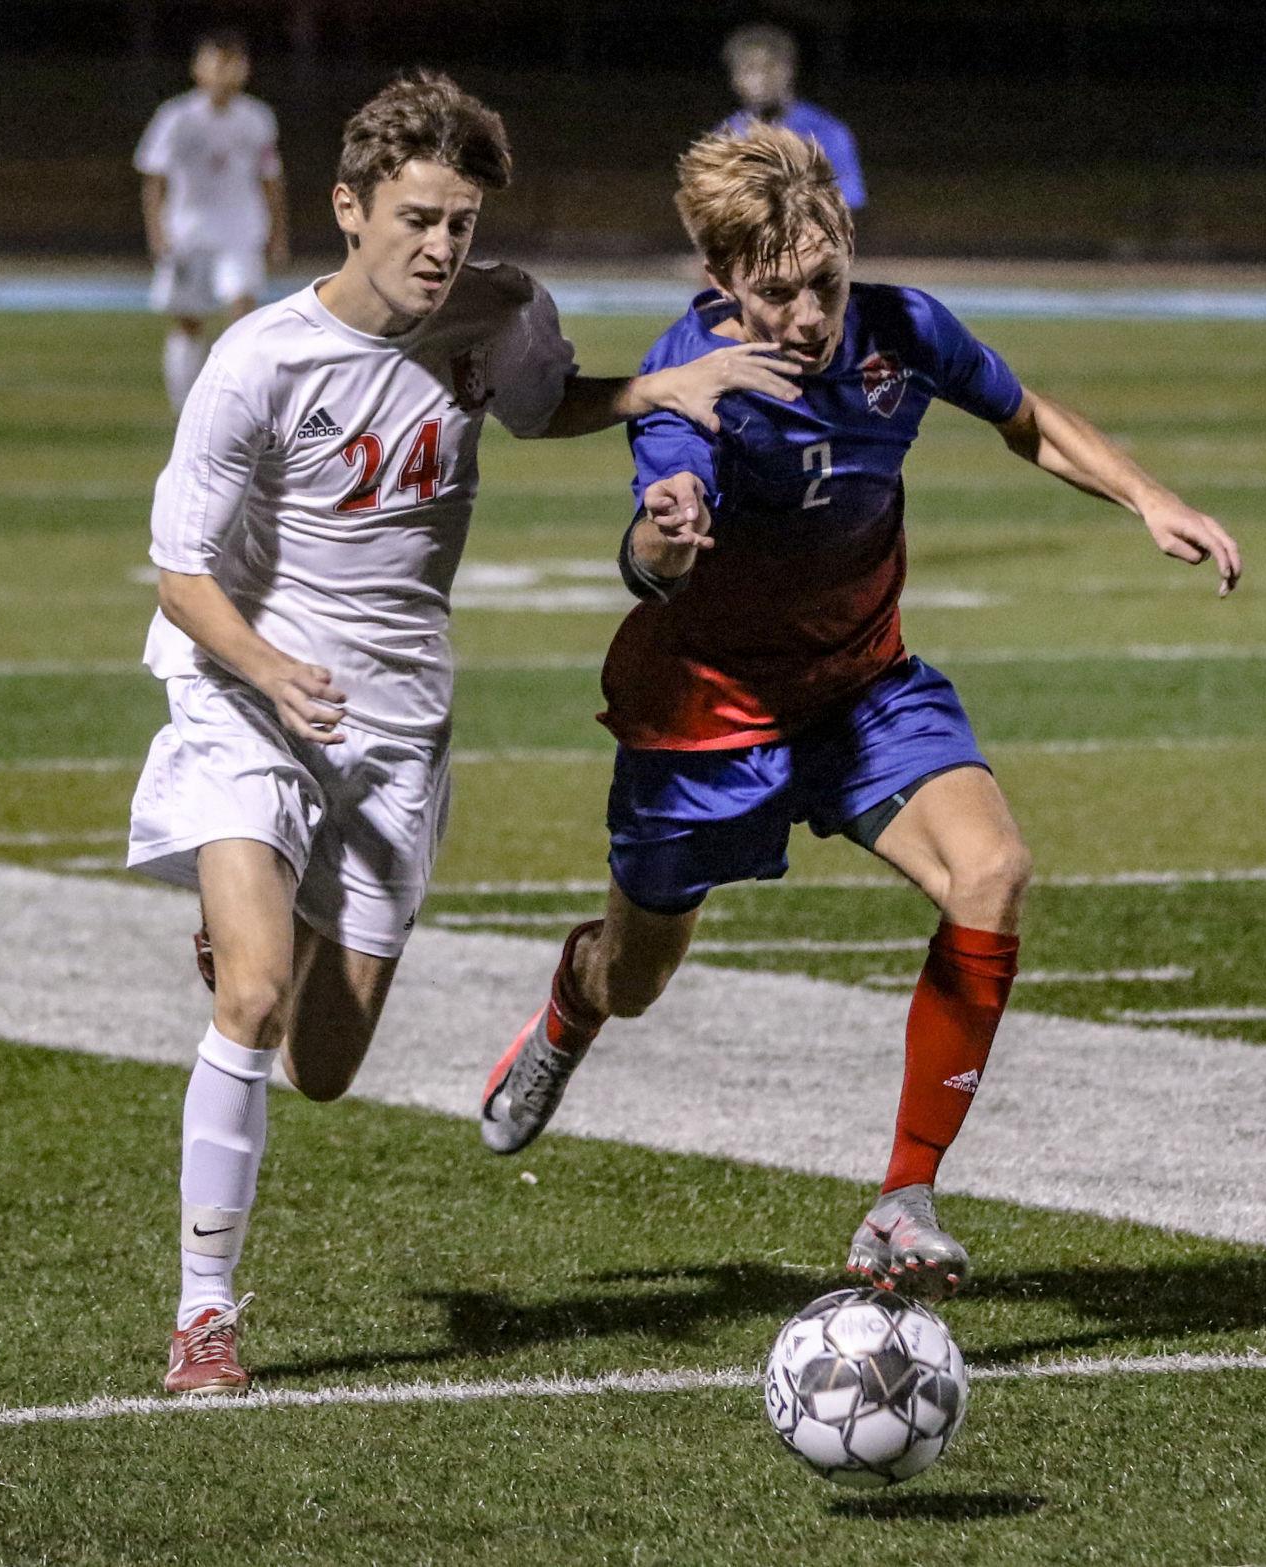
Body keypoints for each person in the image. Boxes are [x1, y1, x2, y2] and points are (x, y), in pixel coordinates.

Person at [481, 124, 1242, 1303]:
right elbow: (651, 554)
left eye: (824, 281)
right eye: (776, 295)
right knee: (637, 976)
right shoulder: (691, 379)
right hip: (710, 714)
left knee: (991, 872)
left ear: (849, 247)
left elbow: (1023, 413)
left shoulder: (905, 329)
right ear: (723, 284)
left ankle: (905, 1197)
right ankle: (570, 1010)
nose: (807, 316)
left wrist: (1149, 496)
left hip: (863, 687)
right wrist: (665, 534)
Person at [127, 72, 799, 1396]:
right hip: (244, 691)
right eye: (418, 218)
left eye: (460, 221)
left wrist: (675, 383)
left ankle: (254, 909)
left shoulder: (497, 310)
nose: (441, 246)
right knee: (252, 992)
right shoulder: (256, 360)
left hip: (396, 727)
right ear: (348, 207)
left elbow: (541, 404)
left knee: (323, 1065)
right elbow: (180, 574)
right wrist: (270, 663)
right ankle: (204, 1314)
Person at [134, 28, 289, 413]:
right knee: (189, 323)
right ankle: (185, 407)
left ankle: (235, 408)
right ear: (198, 69)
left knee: (243, 317)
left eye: (233, 63)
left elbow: (271, 180)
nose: (225, 72)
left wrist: (277, 234)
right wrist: (157, 233)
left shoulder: (257, 118)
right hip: (189, 235)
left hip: (240, 232)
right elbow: (153, 180)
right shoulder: (176, 117)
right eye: (217, 63)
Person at [720, 24, 865, 212]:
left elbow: (851, 198)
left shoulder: (826, 132)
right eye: (748, 69)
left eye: (769, 66)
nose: (759, 77)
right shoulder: (725, 136)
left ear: (788, 71)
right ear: (735, 79)